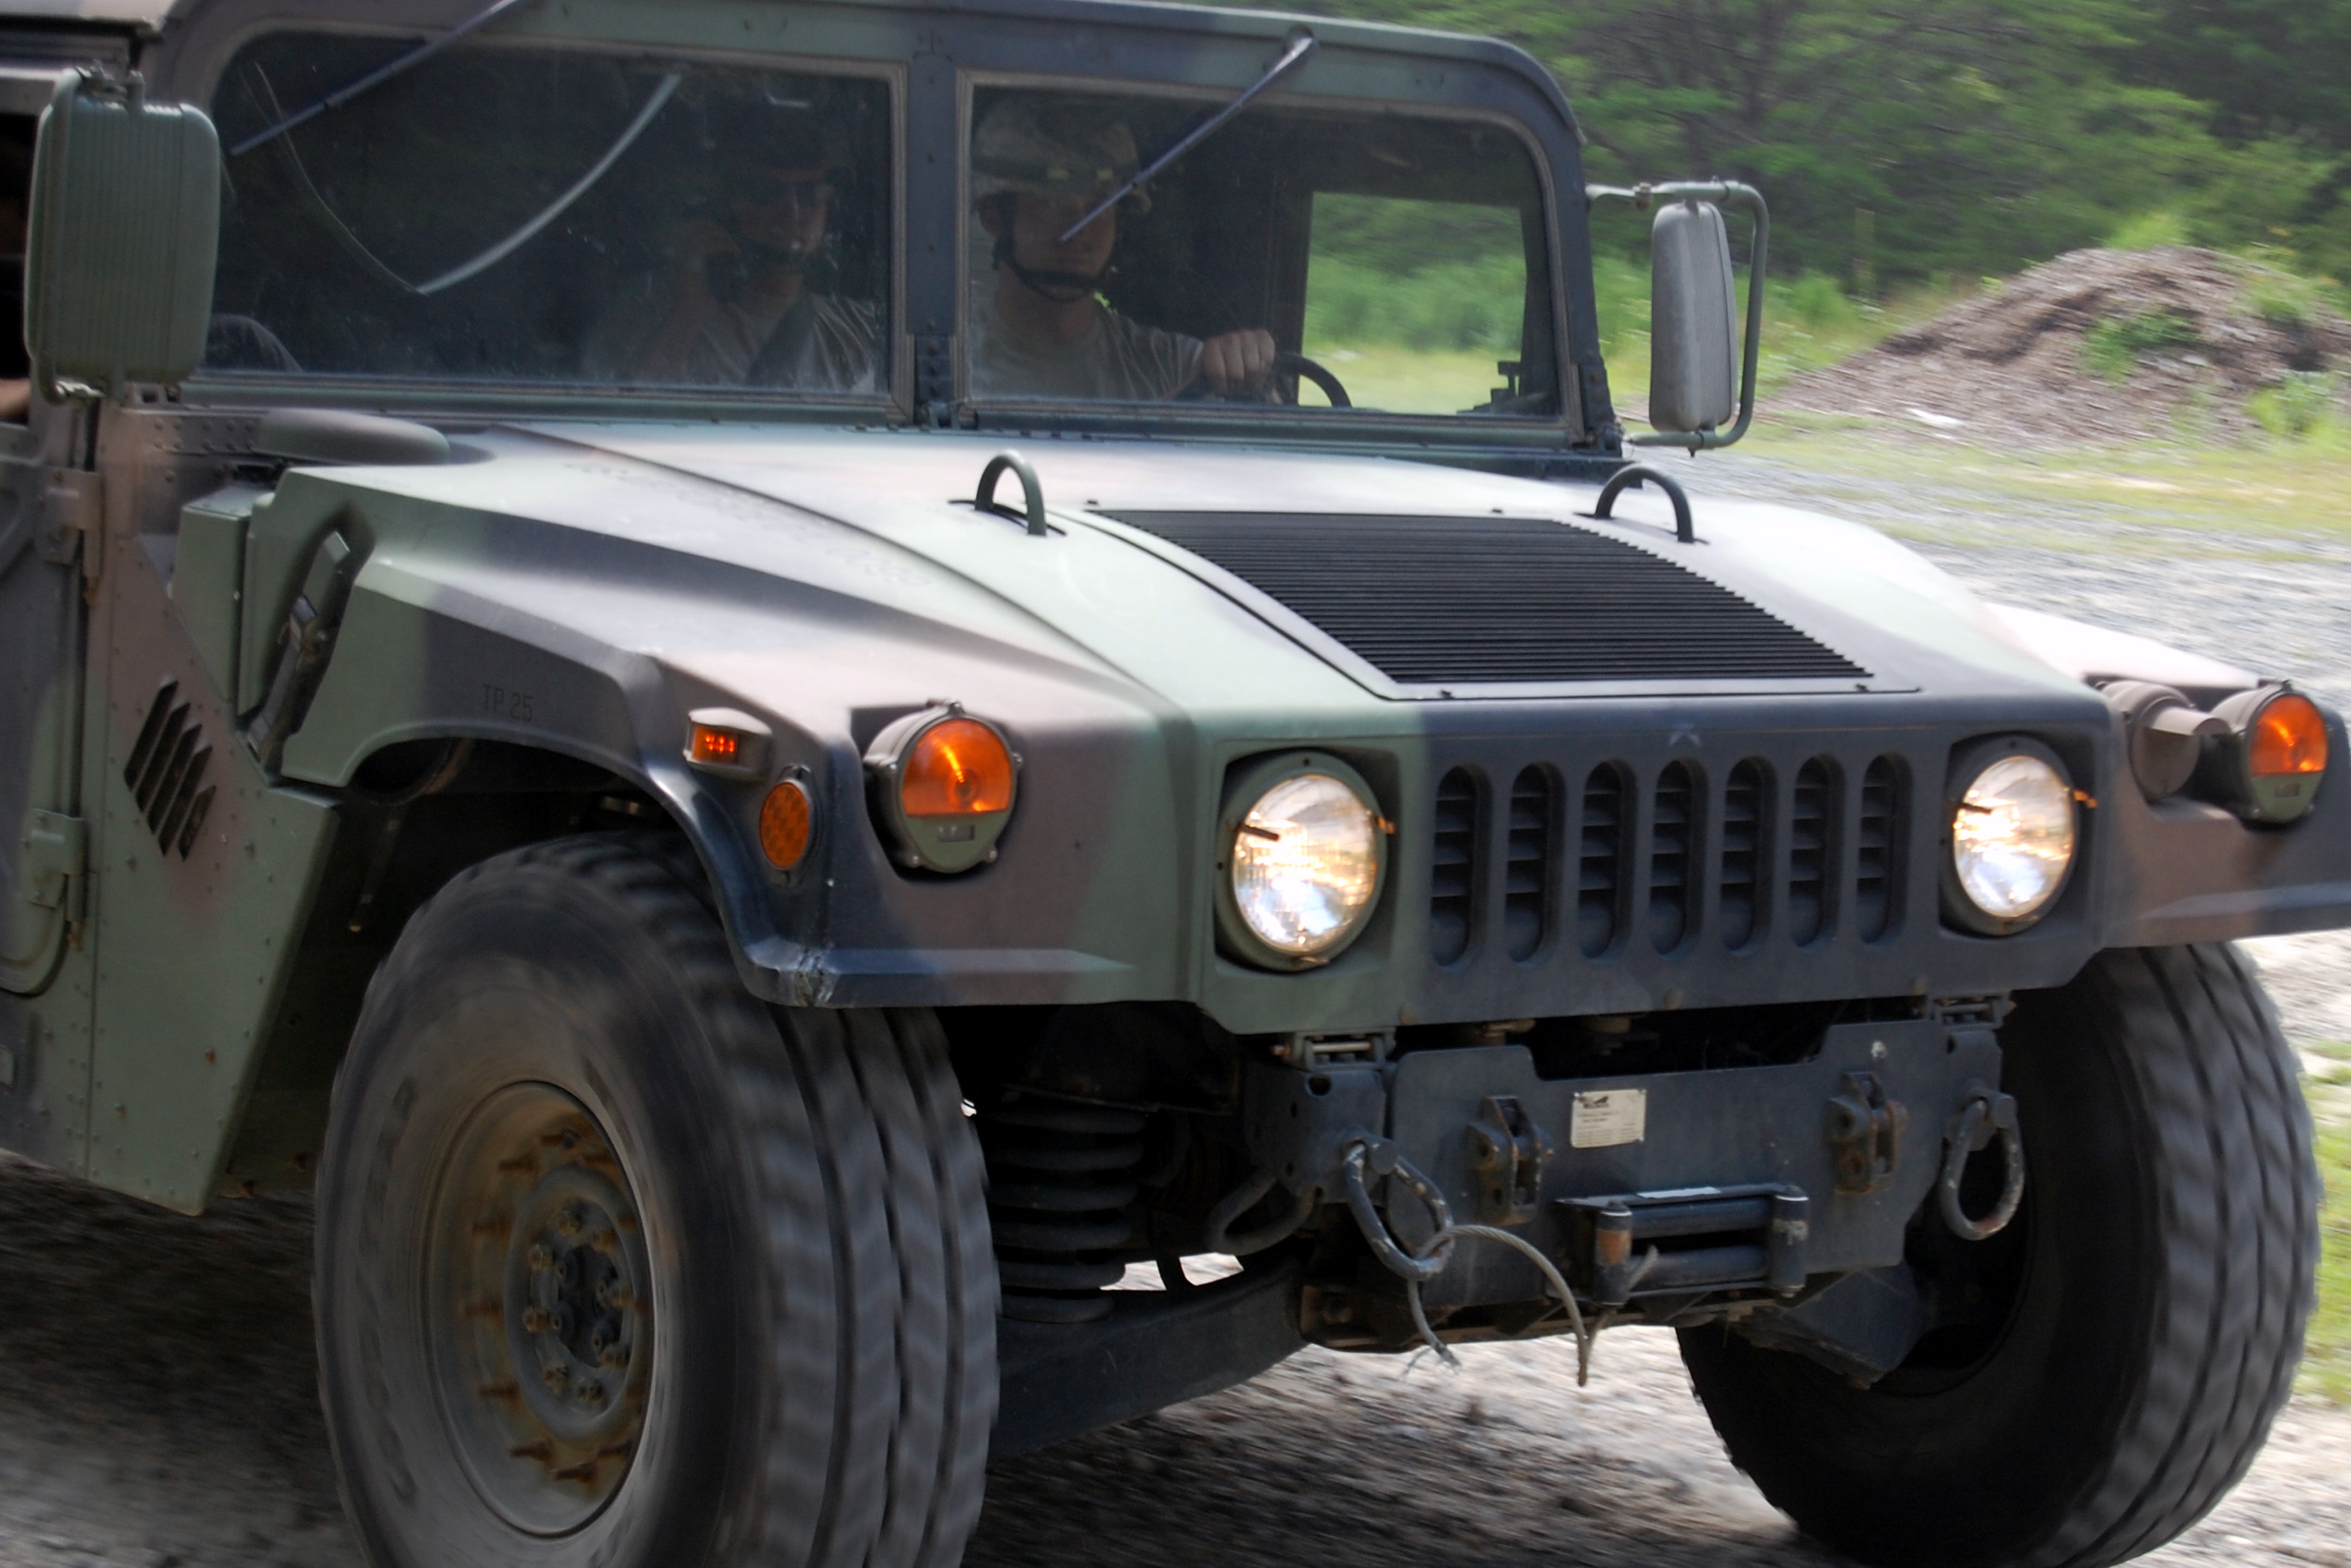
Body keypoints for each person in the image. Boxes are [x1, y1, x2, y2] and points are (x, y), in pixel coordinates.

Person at [969, 99, 1274, 402]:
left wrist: (1247, 374)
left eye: (1098, 209)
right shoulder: (955, 365)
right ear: (994, 217)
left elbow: (1267, 436)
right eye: (1051, 205)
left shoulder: (1171, 365)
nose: (1080, 230)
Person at [587, 100, 880, 393]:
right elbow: (622, 416)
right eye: (767, 193)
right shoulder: (646, 311)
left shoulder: (863, 331)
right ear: (728, 206)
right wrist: (689, 309)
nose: (791, 213)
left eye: (809, 195)